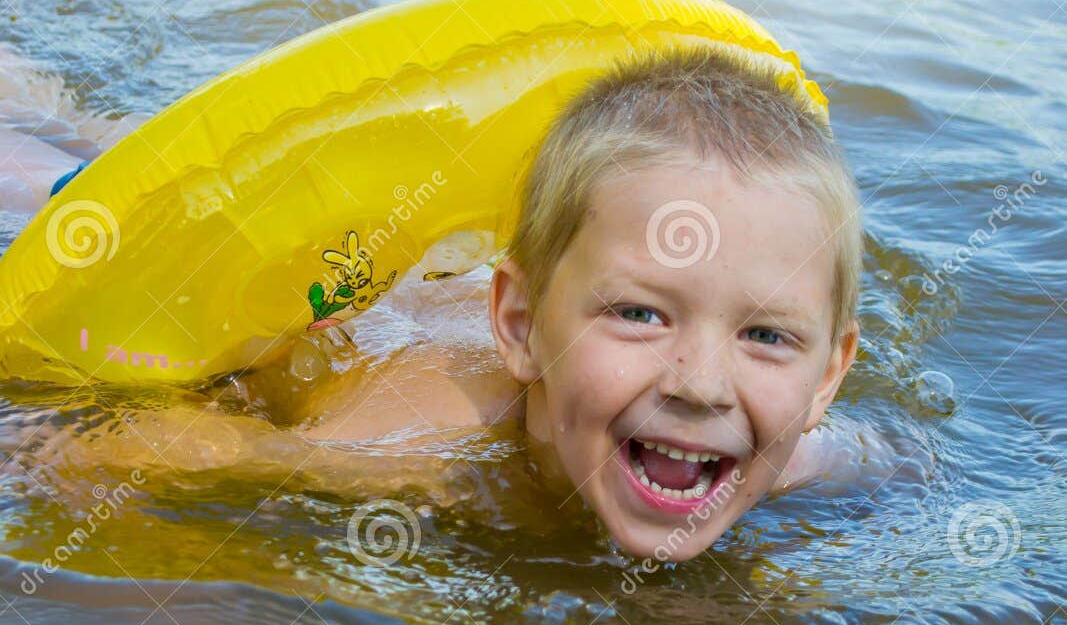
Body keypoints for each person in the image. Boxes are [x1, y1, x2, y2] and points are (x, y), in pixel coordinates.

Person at [1, 43, 890, 560]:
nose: (702, 384)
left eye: (767, 334)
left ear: (828, 376)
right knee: (78, 185)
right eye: (641, 314)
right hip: (329, 302)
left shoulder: (817, 459)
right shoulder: (407, 451)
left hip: (448, 285)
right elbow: (93, 455)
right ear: (519, 330)